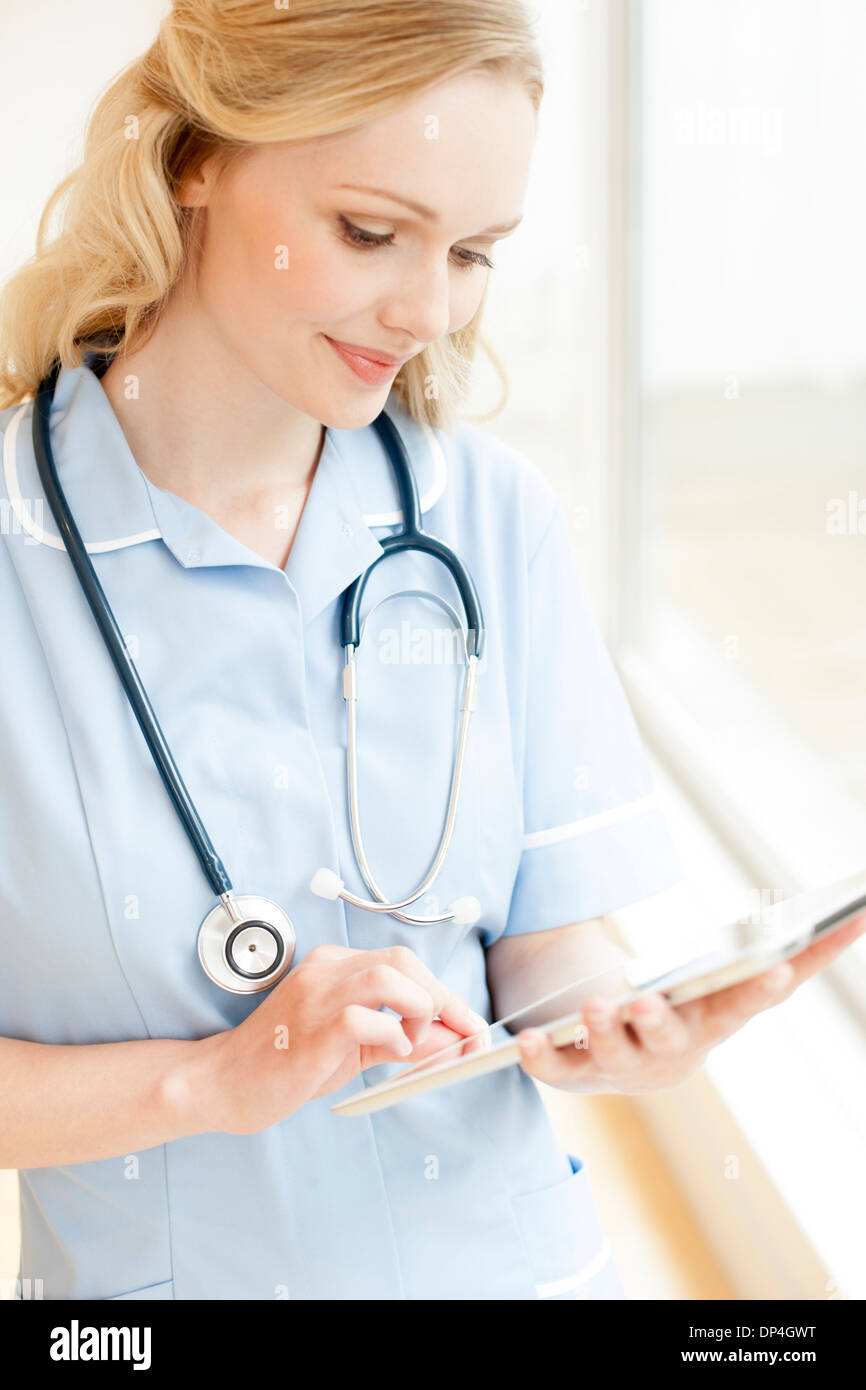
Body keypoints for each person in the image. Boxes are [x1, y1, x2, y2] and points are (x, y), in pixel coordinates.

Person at [0, 0, 862, 1302]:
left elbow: (542, 952)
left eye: (474, 252)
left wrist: (618, 1024)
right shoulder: (20, 556)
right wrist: (213, 1080)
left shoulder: (487, 521)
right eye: (368, 231)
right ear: (199, 160)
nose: (427, 309)